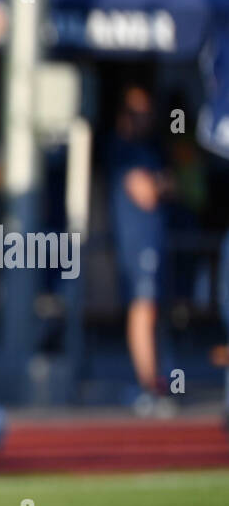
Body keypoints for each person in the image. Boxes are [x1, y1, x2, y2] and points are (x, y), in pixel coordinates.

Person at [109, 85, 170, 412]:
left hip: (154, 240)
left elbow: (176, 183)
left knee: (154, 310)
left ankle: (157, 382)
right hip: (136, 243)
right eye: (136, 112)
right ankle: (148, 385)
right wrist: (161, 184)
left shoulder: (151, 147)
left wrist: (162, 183)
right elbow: (146, 190)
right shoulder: (124, 149)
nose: (143, 119)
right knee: (143, 308)